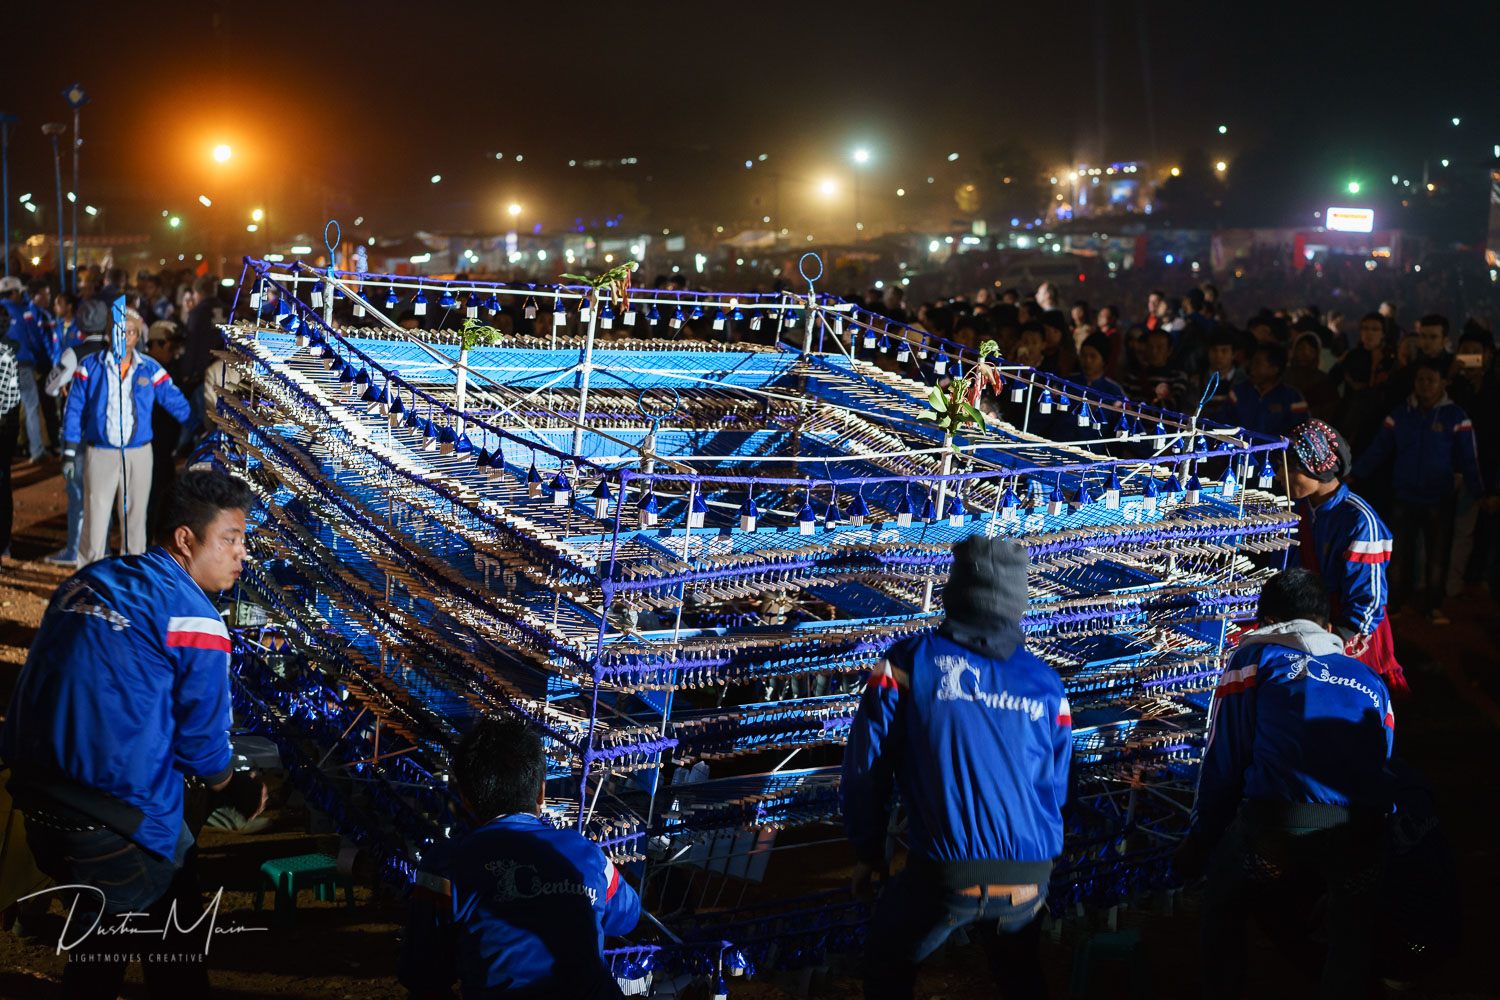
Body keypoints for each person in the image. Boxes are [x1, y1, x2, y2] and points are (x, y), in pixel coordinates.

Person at [0, 470, 265, 998]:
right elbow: (204, 747)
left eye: (244, 541)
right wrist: (234, 786)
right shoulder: (196, 622)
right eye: (230, 540)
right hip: (115, 820)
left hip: (36, 802)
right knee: (157, 955)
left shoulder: (88, 580)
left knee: (118, 946)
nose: (242, 555)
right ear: (185, 539)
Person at [842, 537, 1070, 1000]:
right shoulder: (1046, 684)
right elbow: (1058, 787)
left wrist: (868, 852)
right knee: (1020, 974)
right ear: (1018, 601)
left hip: (947, 871)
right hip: (1031, 873)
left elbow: (866, 769)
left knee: (887, 966)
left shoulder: (908, 662)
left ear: (953, 589)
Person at [1178, 568, 1393, 999]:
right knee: (1351, 932)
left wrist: (1199, 840)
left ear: (1264, 621)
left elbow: (1224, 761)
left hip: (1276, 824)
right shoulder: (1371, 683)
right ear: (1328, 627)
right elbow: (1384, 763)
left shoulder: (1252, 662)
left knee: (1224, 901)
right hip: (1361, 831)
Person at [399, 715, 640, 998]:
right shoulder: (588, 855)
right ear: (541, 792)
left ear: (465, 797)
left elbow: (422, 973)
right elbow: (627, 917)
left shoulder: (445, 866)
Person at [1352, 358, 1483, 623]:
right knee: (1398, 556)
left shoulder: (1455, 416)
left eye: (1430, 380)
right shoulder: (1400, 414)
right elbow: (1378, 449)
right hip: (1404, 496)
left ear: (1443, 382)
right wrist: (1353, 474)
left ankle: (1434, 606)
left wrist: (1481, 492)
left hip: (1439, 497)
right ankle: (1395, 605)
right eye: (1420, 379)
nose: (1424, 385)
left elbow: (1470, 459)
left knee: (1437, 556)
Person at [1283, 420, 1407, 696]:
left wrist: (1336, 638)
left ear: (1318, 469)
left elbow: (1369, 601)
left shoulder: (1360, 522)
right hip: (1313, 623)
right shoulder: (1298, 508)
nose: (1281, 476)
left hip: (1348, 633)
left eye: (1290, 469)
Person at [63, 305, 193, 565]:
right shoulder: (90, 366)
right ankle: (90, 577)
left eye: (131, 332)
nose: (126, 337)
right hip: (100, 451)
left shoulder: (149, 368)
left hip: (139, 453)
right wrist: (69, 449)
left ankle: (132, 578)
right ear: (110, 334)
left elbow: (174, 400)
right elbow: (74, 408)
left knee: (135, 520)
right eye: (120, 332)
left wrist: (199, 428)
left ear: (137, 336)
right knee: (96, 517)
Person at [43, 297, 112, 566]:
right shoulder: (116, 352)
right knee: (103, 494)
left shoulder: (74, 353)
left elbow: (50, 386)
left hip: (77, 432)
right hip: (107, 433)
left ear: (80, 325)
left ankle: (74, 549)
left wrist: (67, 383)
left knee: (77, 494)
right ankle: (101, 548)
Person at [1217, 342, 1309, 438]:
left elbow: (1300, 434)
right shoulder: (1238, 393)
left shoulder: (1293, 398)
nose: (1251, 368)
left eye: (1257, 363)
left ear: (1274, 369)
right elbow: (1222, 424)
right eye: (1252, 363)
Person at [1127, 327, 1189, 410]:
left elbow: (1170, 409)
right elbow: (1125, 406)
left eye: (1159, 347)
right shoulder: (1133, 376)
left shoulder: (1177, 377)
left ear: (1169, 351)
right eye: (1150, 346)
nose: (1154, 351)